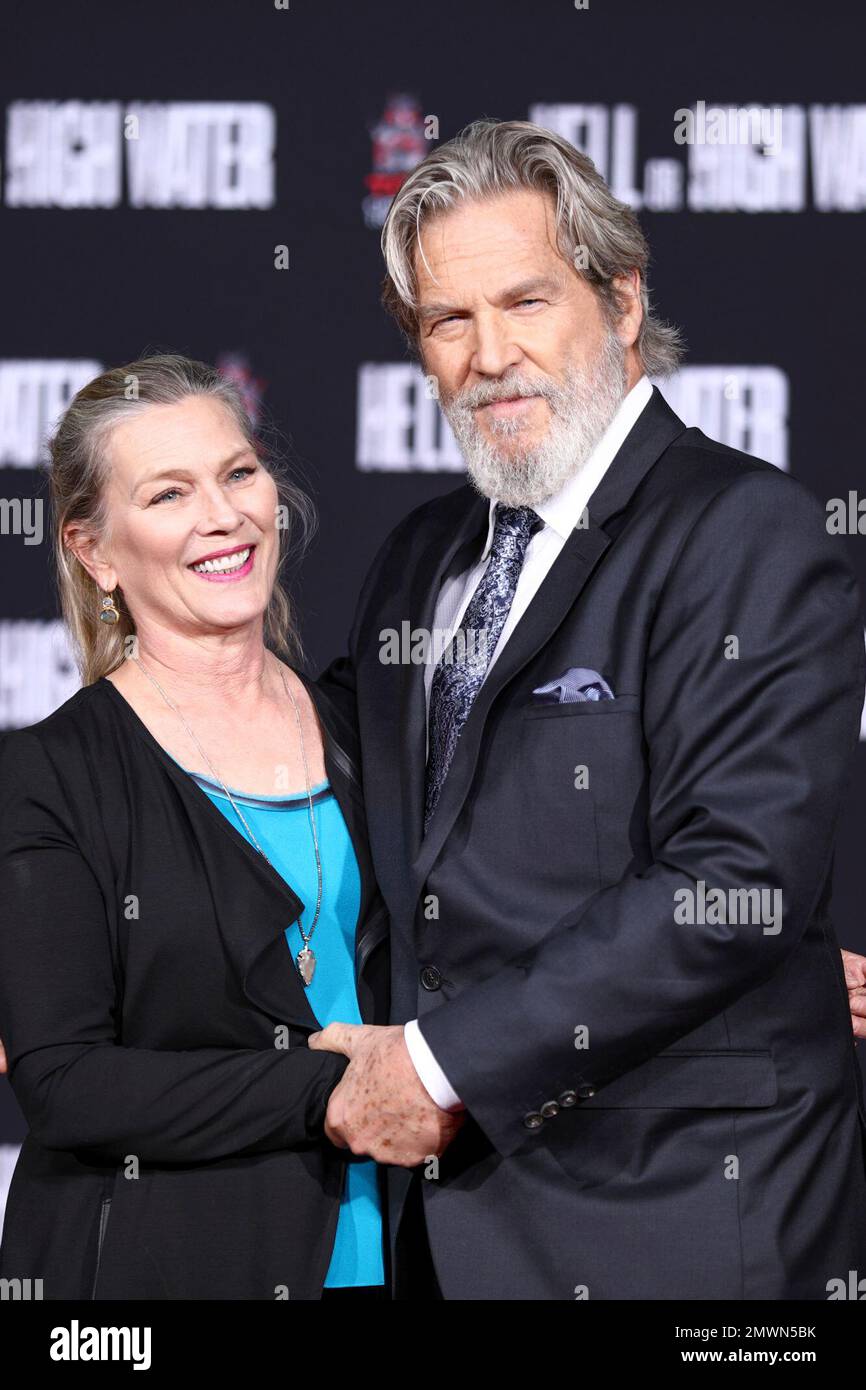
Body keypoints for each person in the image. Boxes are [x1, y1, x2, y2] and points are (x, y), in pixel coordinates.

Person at [305, 119, 866, 1300]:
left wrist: (437, 1065)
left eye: (525, 300)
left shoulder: (743, 532)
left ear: (618, 303)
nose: (490, 353)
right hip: (439, 1234)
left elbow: (731, 880)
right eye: (448, 322)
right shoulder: (419, 557)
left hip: (677, 1223)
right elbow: (310, 779)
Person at [0, 354, 460, 1300]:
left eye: (238, 472)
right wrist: (328, 1093)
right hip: (162, 1272)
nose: (223, 515)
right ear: (94, 551)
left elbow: (513, 908)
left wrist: (728, 972)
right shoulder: (51, 775)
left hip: (408, 1255)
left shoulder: (366, 724)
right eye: (168, 494)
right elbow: (66, 1079)